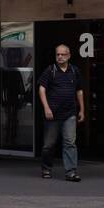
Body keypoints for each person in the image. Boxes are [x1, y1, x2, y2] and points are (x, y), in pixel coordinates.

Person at [37, 44, 84, 181]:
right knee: (49, 144)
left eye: (63, 54)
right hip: (52, 114)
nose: (60, 57)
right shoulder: (50, 70)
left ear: (69, 55)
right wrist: (46, 108)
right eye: (58, 54)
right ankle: (46, 169)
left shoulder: (74, 71)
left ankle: (71, 172)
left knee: (70, 143)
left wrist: (82, 109)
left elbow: (79, 90)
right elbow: (41, 89)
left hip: (70, 113)